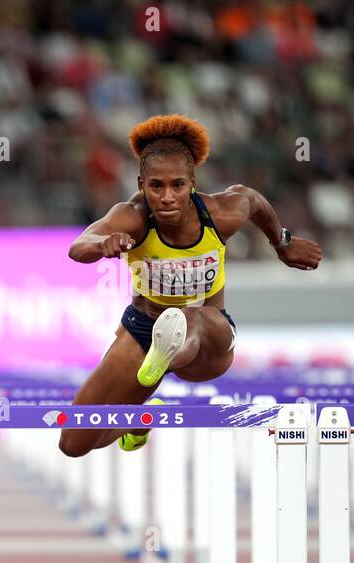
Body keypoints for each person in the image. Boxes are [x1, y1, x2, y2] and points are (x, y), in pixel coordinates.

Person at [62, 114, 321, 457]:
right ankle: (138, 418)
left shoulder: (220, 213)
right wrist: (101, 246)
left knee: (191, 317)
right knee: (74, 443)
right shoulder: (133, 216)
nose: (167, 197)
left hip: (209, 337)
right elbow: (79, 245)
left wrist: (282, 243)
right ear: (142, 184)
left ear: (193, 183)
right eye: (156, 186)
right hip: (144, 329)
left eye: (177, 185)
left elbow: (254, 200)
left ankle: (165, 356)